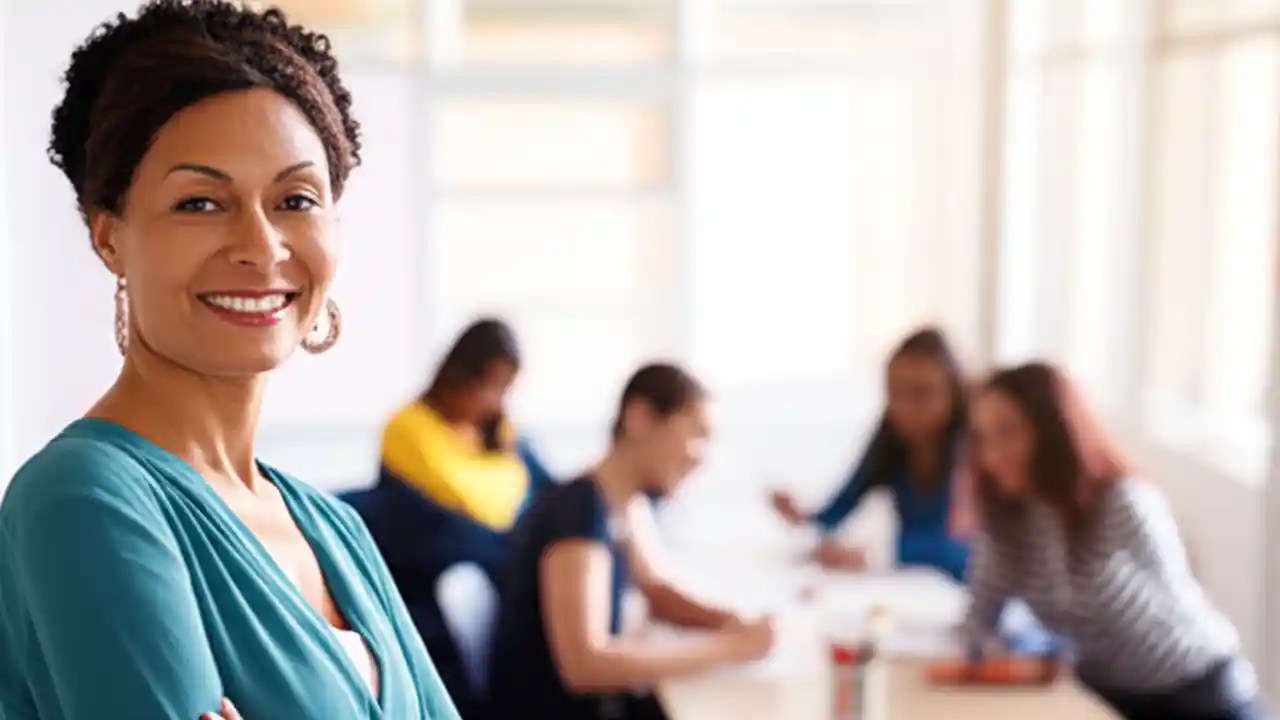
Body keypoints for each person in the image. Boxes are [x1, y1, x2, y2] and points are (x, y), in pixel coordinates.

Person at [0, 3, 457, 719]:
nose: (262, 245)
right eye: (201, 203)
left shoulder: (334, 527)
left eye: (295, 199)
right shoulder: (86, 502)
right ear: (110, 236)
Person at [964, 362, 1262, 720]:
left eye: (1007, 432)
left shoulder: (1120, 501)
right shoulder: (1009, 522)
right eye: (983, 438)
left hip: (1195, 690)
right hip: (1111, 696)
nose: (992, 454)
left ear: (1051, 430)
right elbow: (980, 619)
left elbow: (1174, 605)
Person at [488, 363, 775, 720]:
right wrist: (729, 648)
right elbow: (585, 665)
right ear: (639, 418)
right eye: (697, 433)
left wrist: (734, 622)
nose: (702, 456)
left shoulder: (625, 501)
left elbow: (657, 591)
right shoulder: (578, 512)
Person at [355, 318, 555, 714]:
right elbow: (450, 517)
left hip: (502, 563)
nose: (496, 402)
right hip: (433, 574)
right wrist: (517, 539)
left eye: (505, 390)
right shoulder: (408, 428)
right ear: (460, 374)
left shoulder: (501, 434)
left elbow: (548, 496)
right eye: (491, 386)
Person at [770, 328, 974, 582]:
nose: (904, 407)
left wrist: (879, 553)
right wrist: (803, 519)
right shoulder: (890, 439)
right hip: (917, 587)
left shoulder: (976, 451)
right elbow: (838, 508)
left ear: (954, 394)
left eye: (921, 393)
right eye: (895, 391)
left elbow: (965, 550)